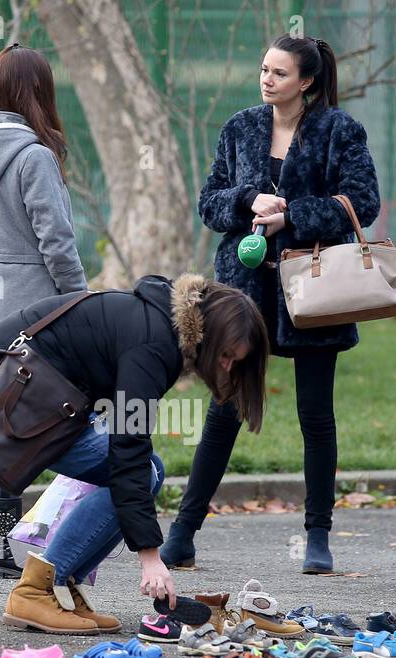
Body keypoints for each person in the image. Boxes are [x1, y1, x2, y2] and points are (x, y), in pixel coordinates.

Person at [159, 33, 381, 575]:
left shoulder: (339, 131)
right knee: (225, 409)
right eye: (263, 69)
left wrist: (294, 216)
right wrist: (245, 200)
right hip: (244, 295)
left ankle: (318, 538)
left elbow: (364, 202)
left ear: (306, 81)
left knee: (315, 416)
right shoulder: (239, 127)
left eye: (279, 73)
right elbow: (209, 204)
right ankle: (184, 533)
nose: (266, 79)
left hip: (314, 291)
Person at [0, 274, 269, 635]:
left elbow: (130, 441)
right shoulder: (156, 344)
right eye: (227, 355)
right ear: (211, 332)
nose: (228, 368)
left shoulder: (161, 326)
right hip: (4, 386)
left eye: (237, 361)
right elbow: (128, 448)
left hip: (26, 383)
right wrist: (151, 558)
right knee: (139, 471)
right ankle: (36, 591)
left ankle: (59, 588)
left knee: (148, 468)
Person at [0, 44, 87, 580]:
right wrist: (79, 300)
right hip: (34, 308)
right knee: (14, 429)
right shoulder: (32, 155)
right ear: (38, 92)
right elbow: (56, 241)